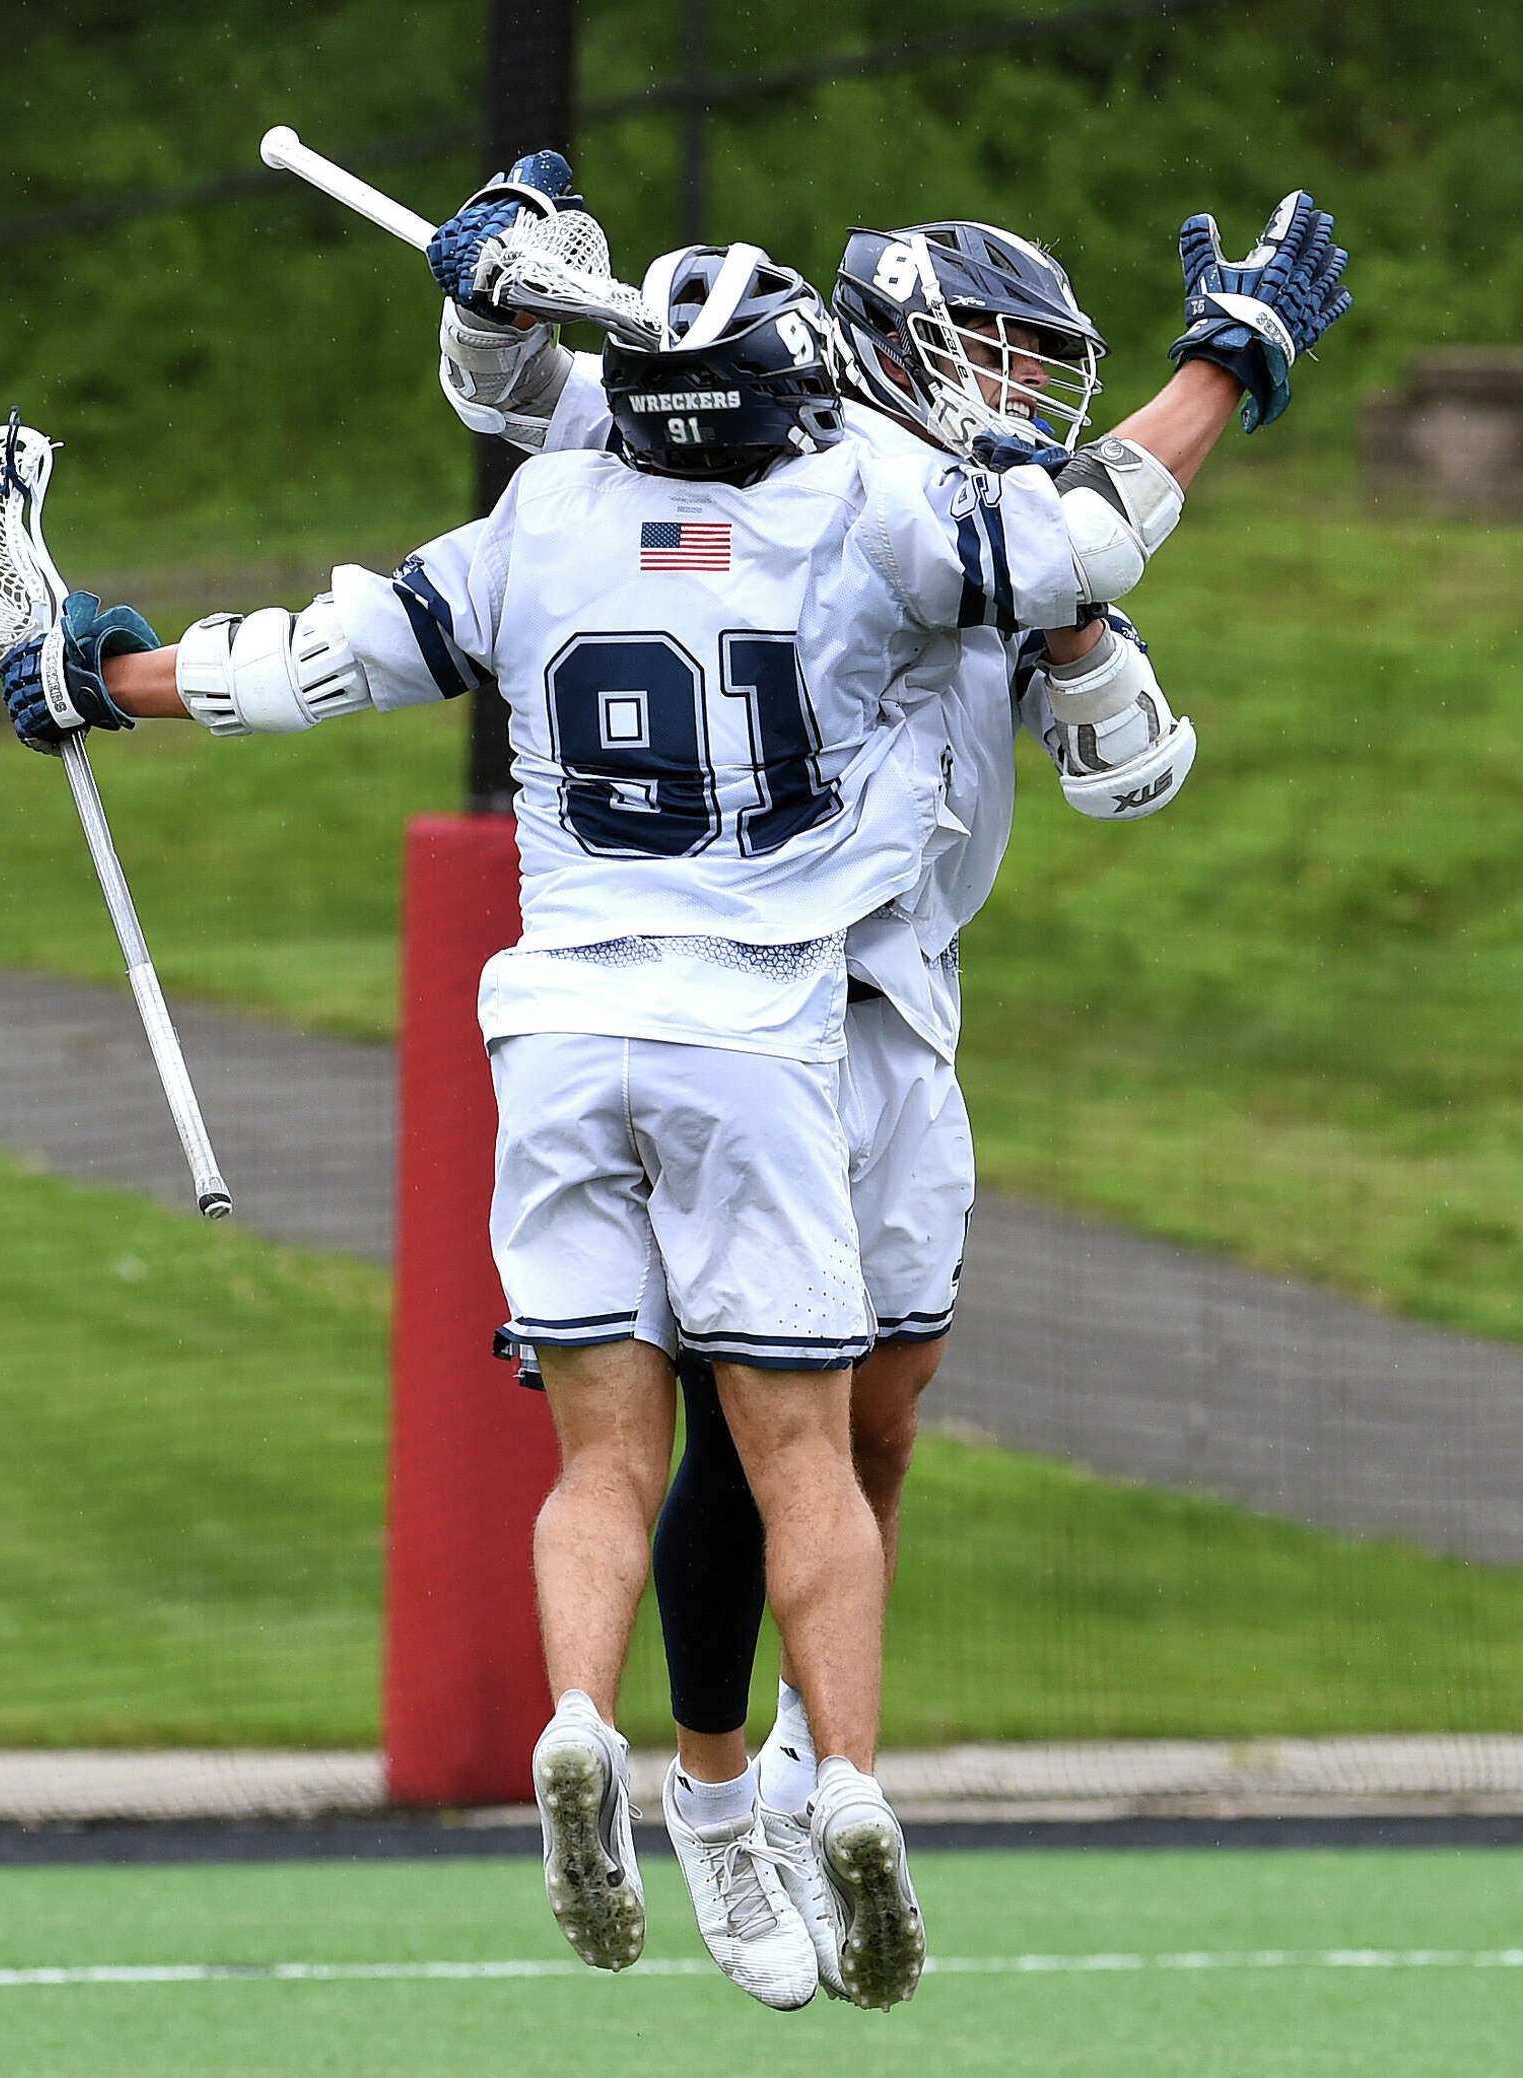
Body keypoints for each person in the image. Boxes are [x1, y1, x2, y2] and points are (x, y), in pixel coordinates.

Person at [427, 170, 1350, 2001]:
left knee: (880, 1420)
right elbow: (520, 389)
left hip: (902, 1009)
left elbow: (1133, 769)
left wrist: (1070, 617)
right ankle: (711, 1803)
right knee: (727, 1419)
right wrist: (487, 286)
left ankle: (797, 1758)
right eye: (994, 349)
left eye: (1044, 362)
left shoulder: (988, 512)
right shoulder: (770, 437)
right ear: (899, 330)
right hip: (744, 994)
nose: (1020, 386)